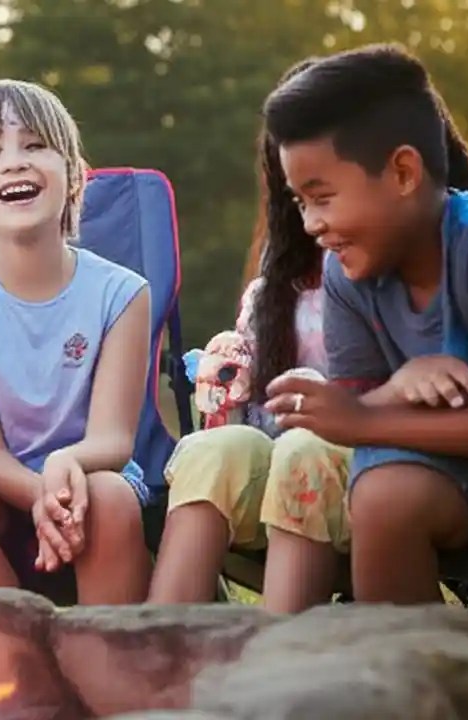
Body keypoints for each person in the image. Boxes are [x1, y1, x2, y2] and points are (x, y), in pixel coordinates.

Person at [261, 43, 468, 604]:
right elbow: (361, 402)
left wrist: (363, 421)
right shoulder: (347, 274)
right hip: (464, 481)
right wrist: (383, 397)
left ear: (403, 172)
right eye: (300, 204)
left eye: (323, 198)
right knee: (384, 494)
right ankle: (417, 680)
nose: (312, 224)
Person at [0, 79, 154, 604]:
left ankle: (109, 672)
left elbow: (115, 441)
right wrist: (40, 493)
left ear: (76, 176)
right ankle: (10, 671)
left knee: (108, 494)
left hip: (92, 479)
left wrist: (66, 469)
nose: (14, 163)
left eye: (36, 146)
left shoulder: (122, 294)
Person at [148, 59, 354, 613]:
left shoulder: (393, 279)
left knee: (302, 448)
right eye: (299, 192)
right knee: (216, 448)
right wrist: (227, 387)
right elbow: (247, 416)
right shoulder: (271, 296)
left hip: (369, 476)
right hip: (275, 481)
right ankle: (156, 648)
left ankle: (274, 666)